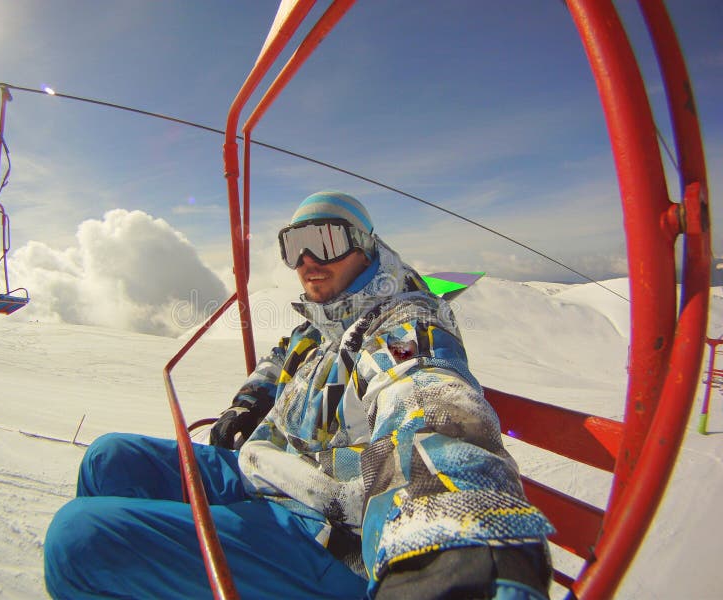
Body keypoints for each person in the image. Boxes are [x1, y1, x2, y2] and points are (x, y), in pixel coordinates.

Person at [44, 191, 554, 599]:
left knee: (78, 541)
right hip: (265, 473)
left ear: (364, 246)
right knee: (109, 459)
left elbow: (428, 405)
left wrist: (449, 544)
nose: (307, 260)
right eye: (293, 246)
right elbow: (280, 355)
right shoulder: (325, 320)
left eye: (325, 241)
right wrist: (250, 400)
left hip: (320, 528)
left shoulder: (402, 323)